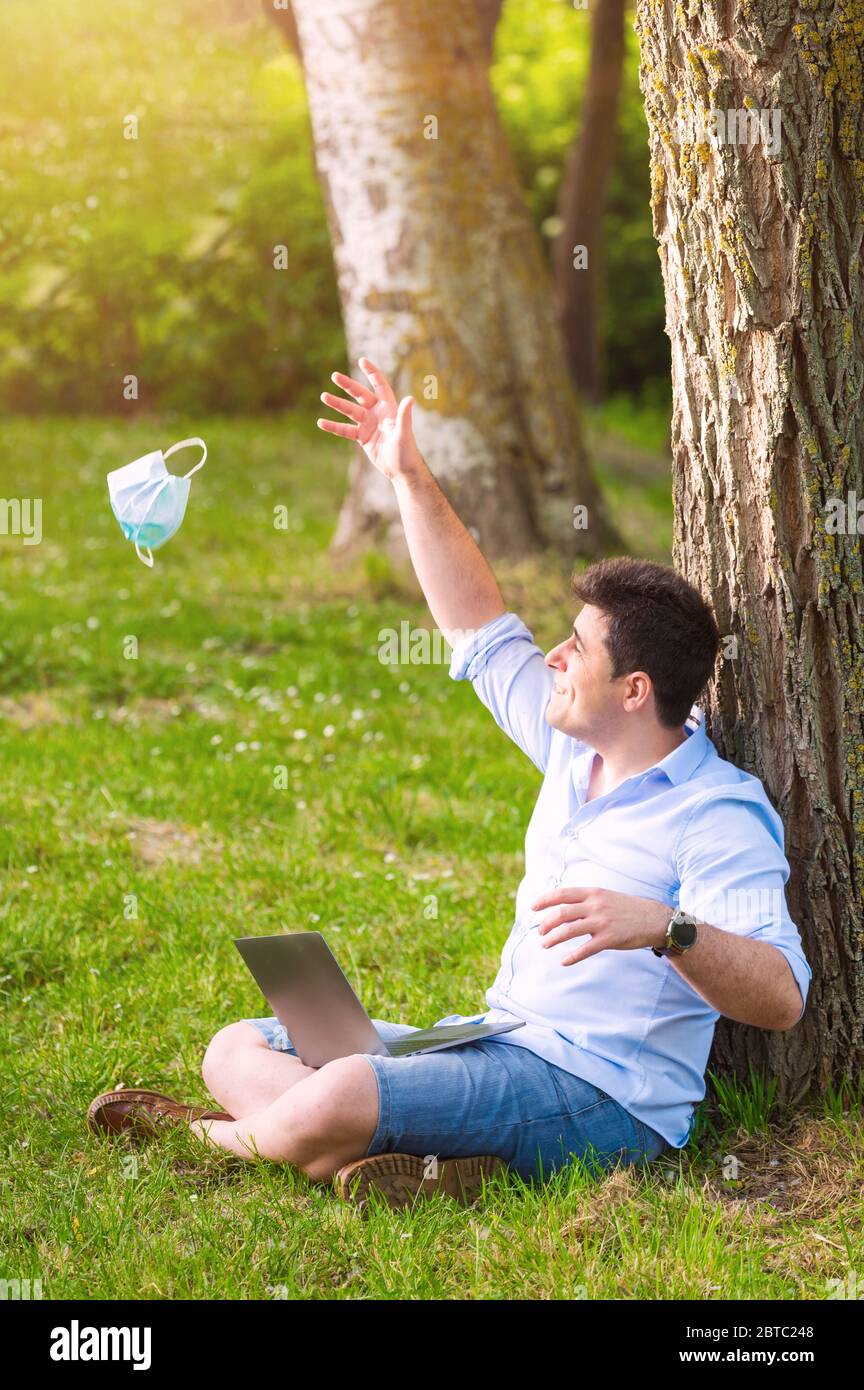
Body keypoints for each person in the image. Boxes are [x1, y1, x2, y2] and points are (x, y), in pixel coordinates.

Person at [88, 357, 811, 1209]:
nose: (553, 656)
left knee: (346, 1088)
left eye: (576, 648)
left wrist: (668, 927)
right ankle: (396, 1158)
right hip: (499, 1041)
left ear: (634, 691)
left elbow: (783, 999)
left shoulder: (717, 812)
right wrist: (407, 474)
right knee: (235, 1047)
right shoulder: (573, 751)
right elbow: (478, 626)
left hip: (603, 1099)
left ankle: (216, 1137)